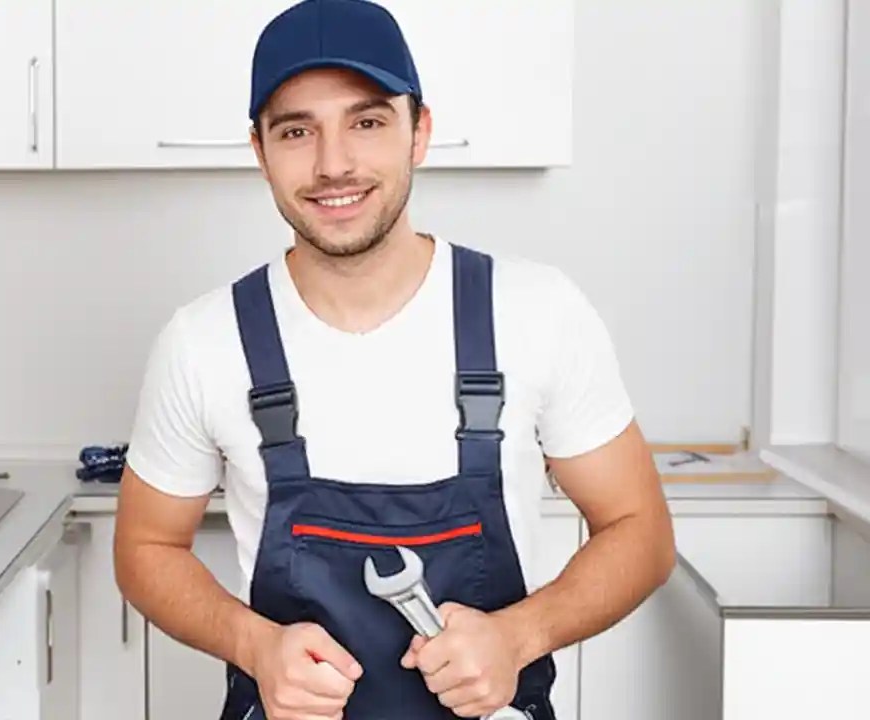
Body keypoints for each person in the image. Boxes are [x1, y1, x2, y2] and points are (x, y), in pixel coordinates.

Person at [113, 0, 676, 717]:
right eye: (296, 131)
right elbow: (146, 548)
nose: (333, 164)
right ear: (259, 150)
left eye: (368, 121)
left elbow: (642, 532)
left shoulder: (535, 313)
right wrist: (254, 646)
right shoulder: (203, 341)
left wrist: (518, 635)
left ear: (420, 132)